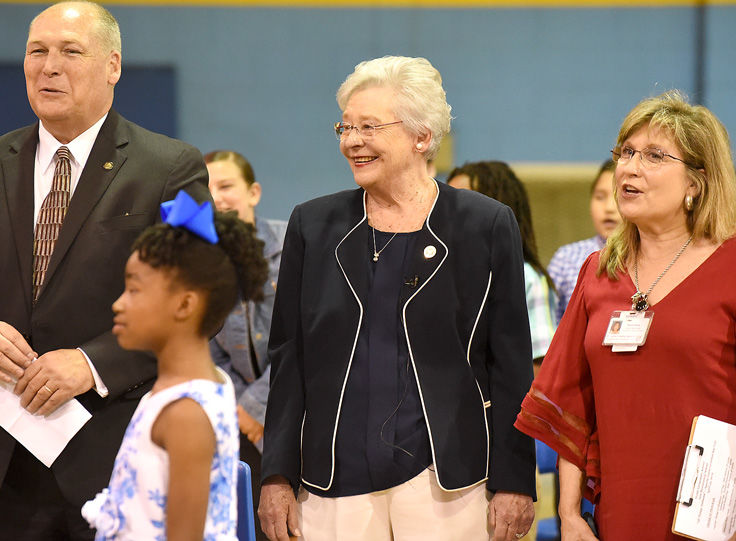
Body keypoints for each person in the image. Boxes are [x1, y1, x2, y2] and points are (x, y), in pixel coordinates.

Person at [0, 2, 209, 538]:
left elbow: (201, 298)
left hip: (112, 465)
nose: (48, 66)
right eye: (37, 51)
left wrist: (93, 363)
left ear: (113, 66)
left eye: (70, 51)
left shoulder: (173, 167)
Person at [258, 56, 536, 541]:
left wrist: (515, 481)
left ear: (422, 137)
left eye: (369, 127)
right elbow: (289, 360)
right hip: (329, 482)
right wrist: (277, 474)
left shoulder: (485, 224)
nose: (351, 141)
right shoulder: (313, 225)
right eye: (345, 126)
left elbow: (511, 364)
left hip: (448, 481)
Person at [515, 90, 736, 540]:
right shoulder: (598, 274)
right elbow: (571, 400)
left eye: (654, 156)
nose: (631, 168)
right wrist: (571, 512)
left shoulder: (730, 265)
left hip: (717, 513)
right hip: (620, 512)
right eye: (627, 152)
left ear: (696, 182)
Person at [82, 192, 268, 540]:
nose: (119, 304)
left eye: (134, 290)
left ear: (184, 304)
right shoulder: (206, 383)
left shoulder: (185, 413)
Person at [205, 149, 287, 540]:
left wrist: (257, 409)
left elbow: (303, 340)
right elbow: (208, 348)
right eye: (207, 190)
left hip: (298, 413)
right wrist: (242, 413)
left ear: (253, 192)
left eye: (226, 186)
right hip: (237, 424)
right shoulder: (202, 262)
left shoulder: (292, 243)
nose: (217, 197)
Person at [447, 160, 558, 369]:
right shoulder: (436, 273)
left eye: (461, 207)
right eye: (446, 205)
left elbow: (538, 366)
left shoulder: (527, 278)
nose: (449, 217)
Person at [547, 160, 621, 321]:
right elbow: (547, 322)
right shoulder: (566, 258)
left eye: (618, 197)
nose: (608, 208)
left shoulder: (649, 258)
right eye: (600, 197)